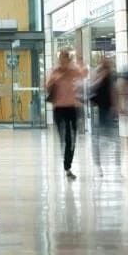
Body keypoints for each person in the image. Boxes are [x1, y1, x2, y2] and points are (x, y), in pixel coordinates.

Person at [47, 50, 87, 180]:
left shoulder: (73, 70)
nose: (63, 60)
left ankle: (67, 167)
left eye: (66, 57)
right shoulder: (55, 71)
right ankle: (66, 164)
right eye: (61, 58)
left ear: (68, 59)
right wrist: (56, 78)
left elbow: (84, 74)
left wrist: (80, 62)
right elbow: (47, 86)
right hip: (59, 109)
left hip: (72, 108)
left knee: (71, 139)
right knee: (64, 138)